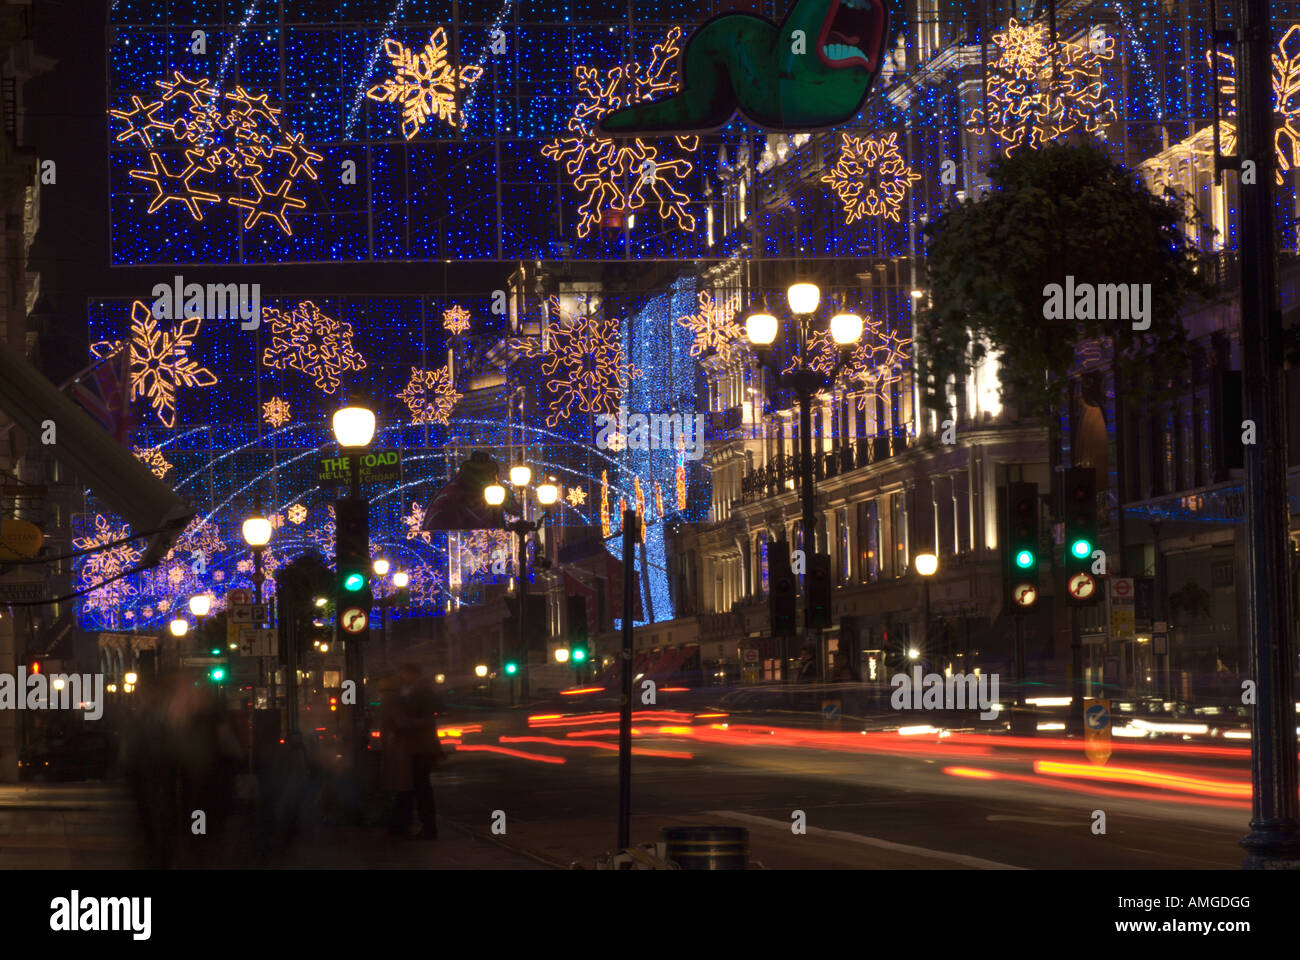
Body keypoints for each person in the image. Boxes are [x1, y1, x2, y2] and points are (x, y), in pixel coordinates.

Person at [383, 664, 444, 840]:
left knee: (419, 788)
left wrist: (407, 723)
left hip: (421, 748)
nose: (403, 680)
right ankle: (415, 826)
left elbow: (409, 720)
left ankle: (425, 828)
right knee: (418, 788)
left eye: (404, 676)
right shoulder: (422, 691)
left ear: (412, 675)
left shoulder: (418, 692)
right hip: (424, 747)